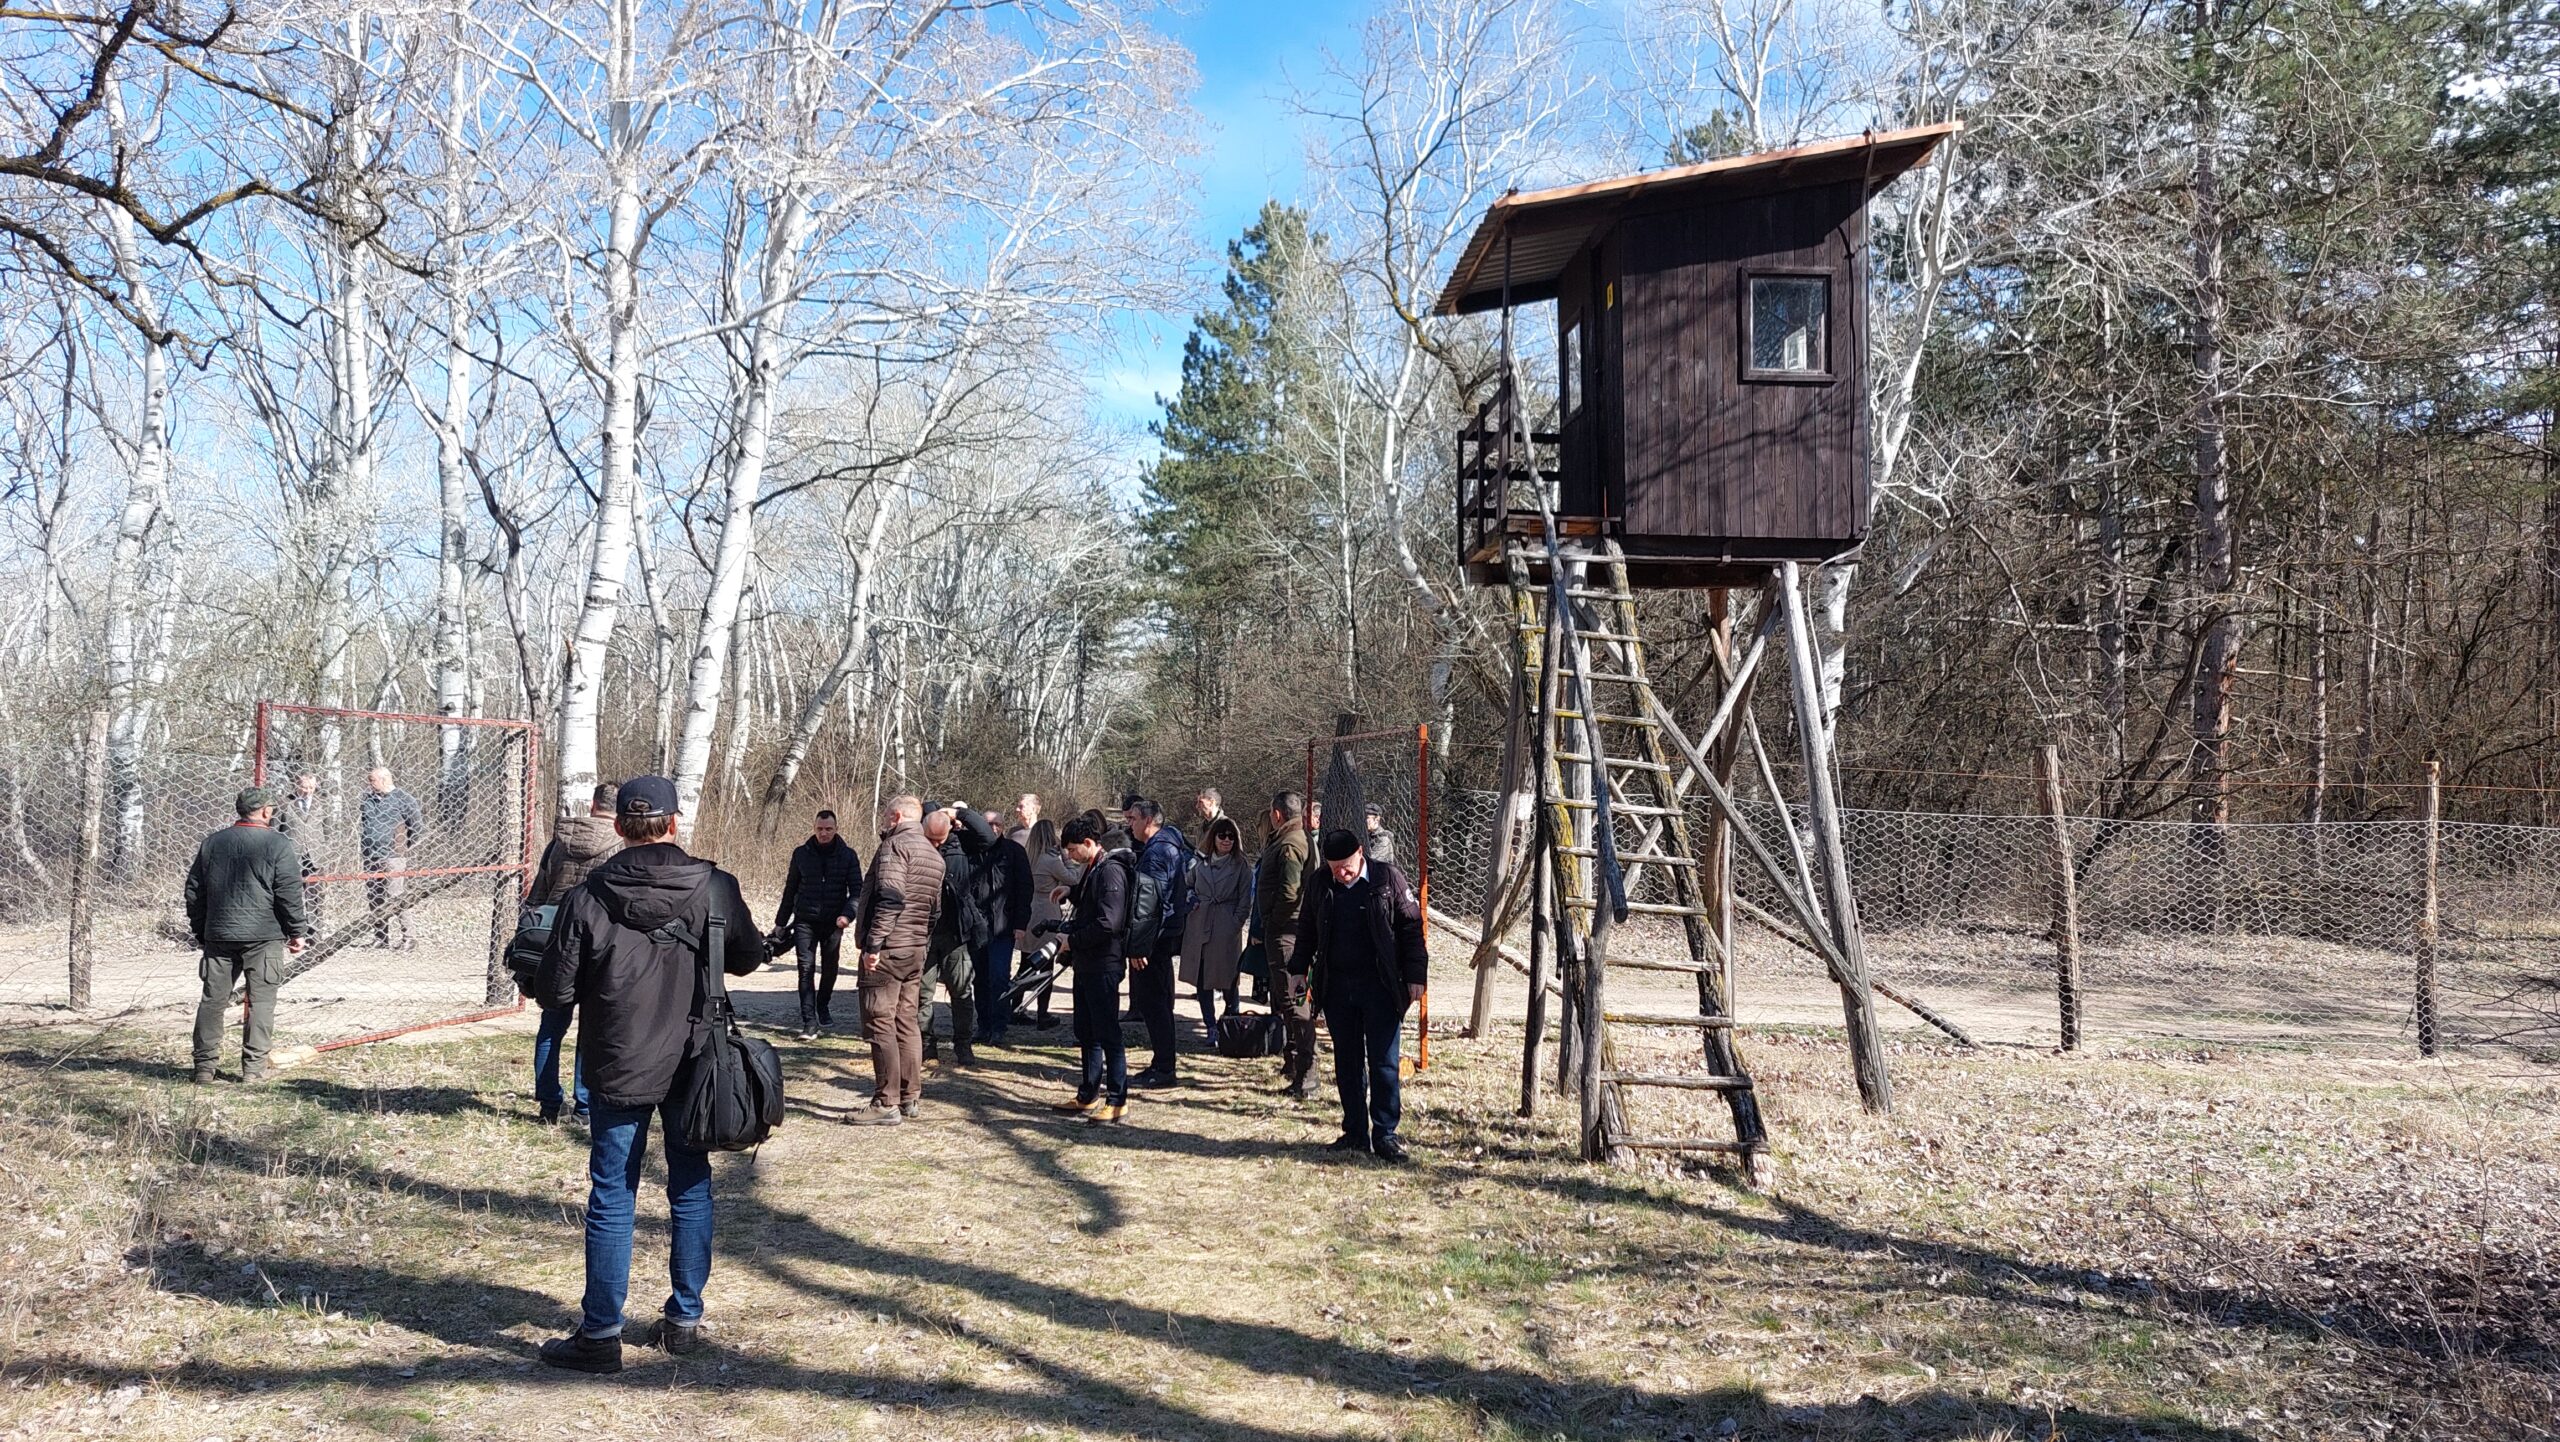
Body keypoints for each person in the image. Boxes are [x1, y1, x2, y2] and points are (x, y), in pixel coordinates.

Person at [531, 776, 764, 1373]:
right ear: (674, 822)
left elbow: (554, 989)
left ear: (617, 828)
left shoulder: (587, 896)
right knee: (691, 1185)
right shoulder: (715, 888)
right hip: (696, 1057)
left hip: (617, 1056)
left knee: (613, 1194)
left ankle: (601, 1334)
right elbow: (747, 957)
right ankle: (684, 1320)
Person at [1292, 827, 1429, 1163]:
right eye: (1335, 866)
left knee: (1383, 1061)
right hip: (1338, 987)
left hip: (1380, 986)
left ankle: (1385, 1134)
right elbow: (1307, 928)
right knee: (1347, 1062)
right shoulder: (1320, 883)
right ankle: (1354, 1132)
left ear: (1361, 854)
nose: (1342, 872)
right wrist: (1298, 970)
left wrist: (1415, 975)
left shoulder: (1387, 879)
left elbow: (1411, 928)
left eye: (1347, 864)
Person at [184, 788, 313, 1084]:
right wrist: (297, 931)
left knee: (212, 1001)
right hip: (264, 937)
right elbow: (289, 893)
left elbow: (194, 892)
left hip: (219, 934)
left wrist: (202, 929)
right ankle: (253, 1070)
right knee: (261, 1003)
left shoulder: (212, 843)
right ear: (266, 812)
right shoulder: (278, 844)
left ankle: (204, 1068)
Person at [528, 782, 621, 1123]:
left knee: (552, 1024)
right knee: (593, 1027)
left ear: (593, 803)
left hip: (555, 941)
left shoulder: (559, 840)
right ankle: (584, 1105)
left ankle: (549, 1103)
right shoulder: (620, 844)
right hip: (598, 942)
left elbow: (538, 894)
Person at [850, 796, 944, 1125]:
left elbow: (890, 897)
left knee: (880, 1021)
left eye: (887, 815)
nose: (884, 821)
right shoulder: (934, 855)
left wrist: (874, 943)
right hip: (916, 949)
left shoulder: (895, 847)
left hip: (890, 949)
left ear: (897, 815)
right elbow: (935, 911)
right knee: (906, 1022)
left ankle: (885, 1101)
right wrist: (921, 941)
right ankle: (910, 1096)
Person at [1047, 813, 1131, 1122]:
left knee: (1108, 1032)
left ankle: (1118, 1098)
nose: (1069, 857)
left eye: (1071, 850)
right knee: (1087, 1032)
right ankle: (1088, 1093)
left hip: (1103, 964)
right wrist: (1071, 892)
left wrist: (1072, 941)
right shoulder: (1093, 868)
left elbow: (1109, 922)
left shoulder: (1110, 871)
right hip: (1086, 964)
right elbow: (1090, 899)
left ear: (1087, 843)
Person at [776, 808, 862, 1042]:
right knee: (805, 968)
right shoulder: (801, 854)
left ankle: (823, 1004)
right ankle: (809, 1022)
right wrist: (780, 924)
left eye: (828, 829)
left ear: (836, 829)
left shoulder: (848, 856)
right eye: (820, 829)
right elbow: (790, 889)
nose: (824, 833)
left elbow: (857, 891)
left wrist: (847, 916)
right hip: (805, 919)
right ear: (814, 828)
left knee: (830, 967)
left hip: (835, 921)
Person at [1124, 797, 1193, 1087]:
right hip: (1167, 932)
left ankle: (1164, 1068)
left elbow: (1150, 903)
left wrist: (1139, 945)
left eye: (1133, 820)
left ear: (1149, 821)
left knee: (1155, 1003)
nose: (1129, 825)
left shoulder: (1157, 854)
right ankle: (1161, 1063)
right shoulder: (1169, 844)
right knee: (1160, 1001)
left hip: (1156, 938)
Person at [918, 802, 993, 1065]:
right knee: (922, 995)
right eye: (931, 840)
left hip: (956, 933)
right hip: (925, 933)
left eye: (940, 839)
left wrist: (959, 813)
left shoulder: (962, 844)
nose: (936, 845)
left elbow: (987, 836)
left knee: (962, 992)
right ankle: (928, 1048)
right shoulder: (915, 844)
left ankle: (963, 1044)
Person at [1254, 791, 1317, 1100]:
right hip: (1284, 931)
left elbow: (1290, 893)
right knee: (1286, 999)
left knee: (1295, 1001)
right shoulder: (1288, 838)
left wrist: (1273, 920)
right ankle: (1294, 1063)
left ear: (1276, 814)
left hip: (1287, 933)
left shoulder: (1291, 844)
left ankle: (1307, 1074)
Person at [1180, 816, 1249, 1037]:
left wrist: (1234, 923)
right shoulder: (1202, 862)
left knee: (1228, 977)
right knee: (1203, 979)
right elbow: (1186, 884)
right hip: (1200, 923)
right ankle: (1210, 1025)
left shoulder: (1241, 865)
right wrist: (1192, 899)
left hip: (1225, 926)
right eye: (1222, 835)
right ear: (1214, 838)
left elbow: (1245, 899)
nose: (1226, 840)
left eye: (1231, 836)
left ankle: (1232, 1020)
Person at [974, 817, 1033, 1045]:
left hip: (1003, 926)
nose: (992, 828)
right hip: (978, 927)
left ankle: (999, 1026)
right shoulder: (974, 850)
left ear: (1002, 827)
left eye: (996, 823)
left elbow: (1025, 887)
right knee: (979, 978)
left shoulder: (1014, 851)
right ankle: (983, 1025)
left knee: (999, 977)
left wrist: (1021, 923)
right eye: (987, 824)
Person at [1019, 816, 1080, 1029]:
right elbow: (1073, 879)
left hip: (1027, 910)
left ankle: (1014, 1007)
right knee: (1046, 965)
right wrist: (1067, 859)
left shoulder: (1027, 857)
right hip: (1047, 908)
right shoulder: (1051, 860)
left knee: (1025, 963)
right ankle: (1043, 1014)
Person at [359, 766, 425, 949]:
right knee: (374, 896)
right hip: (370, 854)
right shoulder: (367, 799)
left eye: (372, 780)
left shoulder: (404, 799)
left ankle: (409, 937)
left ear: (385, 779)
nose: (369, 784)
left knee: (396, 895)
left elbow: (417, 828)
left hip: (393, 856)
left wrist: (401, 847)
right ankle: (380, 937)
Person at [273, 770, 326, 928]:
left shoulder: (322, 803)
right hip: (291, 855)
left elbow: (328, 830)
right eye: (304, 787)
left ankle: (315, 932)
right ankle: (291, 930)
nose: (307, 791)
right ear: (297, 785)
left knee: (315, 894)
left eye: (311, 788)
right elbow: (275, 830)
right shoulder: (284, 803)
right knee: (290, 893)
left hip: (315, 855)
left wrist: (325, 850)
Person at [1363, 803, 1400, 869]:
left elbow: (1370, 863)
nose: (1364, 820)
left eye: (1367, 818)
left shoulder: (1384, 839)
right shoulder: (1368, 836)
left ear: (1377, 819)